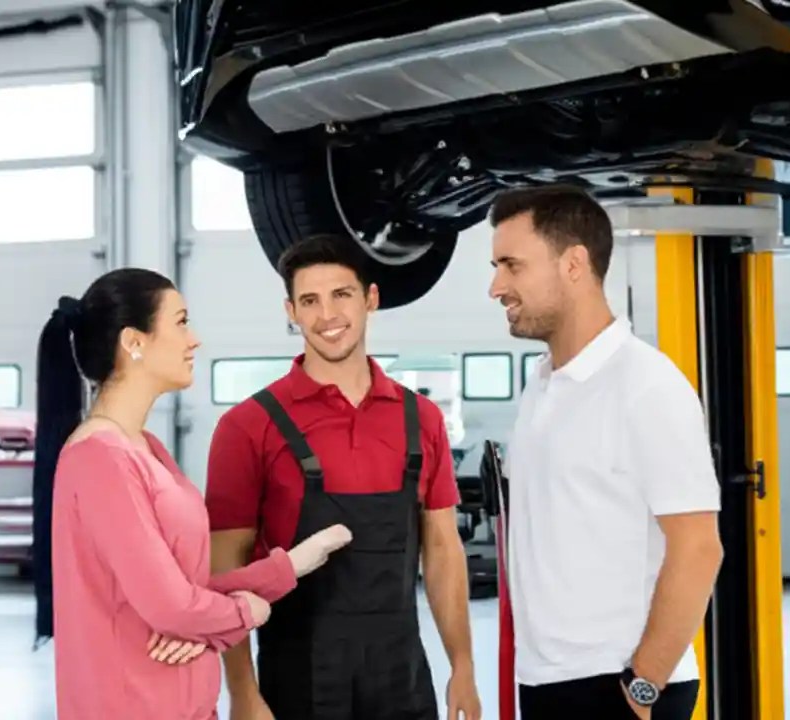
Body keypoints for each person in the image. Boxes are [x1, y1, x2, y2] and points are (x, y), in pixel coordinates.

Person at [37, 267, 354, 720]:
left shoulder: (146, 448)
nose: (194, 340)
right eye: (181, 322)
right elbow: (171, 607)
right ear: (134, 342)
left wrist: (289, 566)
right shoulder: (99, 459)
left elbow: (187, 590)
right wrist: (246, 612)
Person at [206, 235, 482, 720]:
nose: (327, 315)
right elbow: (225, 568)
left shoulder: (421, 419)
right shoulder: (247, 426)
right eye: (309, 300)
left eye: (341, 295)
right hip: (297, 684)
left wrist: (462, 665)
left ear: (370, 298)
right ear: (291, 311)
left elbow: (442, 549)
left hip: (402, 682)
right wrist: (243, 694)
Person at [486, 184, 725, 720]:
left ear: (574, 264)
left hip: (616, 685)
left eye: (511, 265)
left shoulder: (645, 385)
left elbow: (698, 547)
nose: (496, 287)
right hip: (548, 679)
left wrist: (643, 685)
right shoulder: (542, 384)